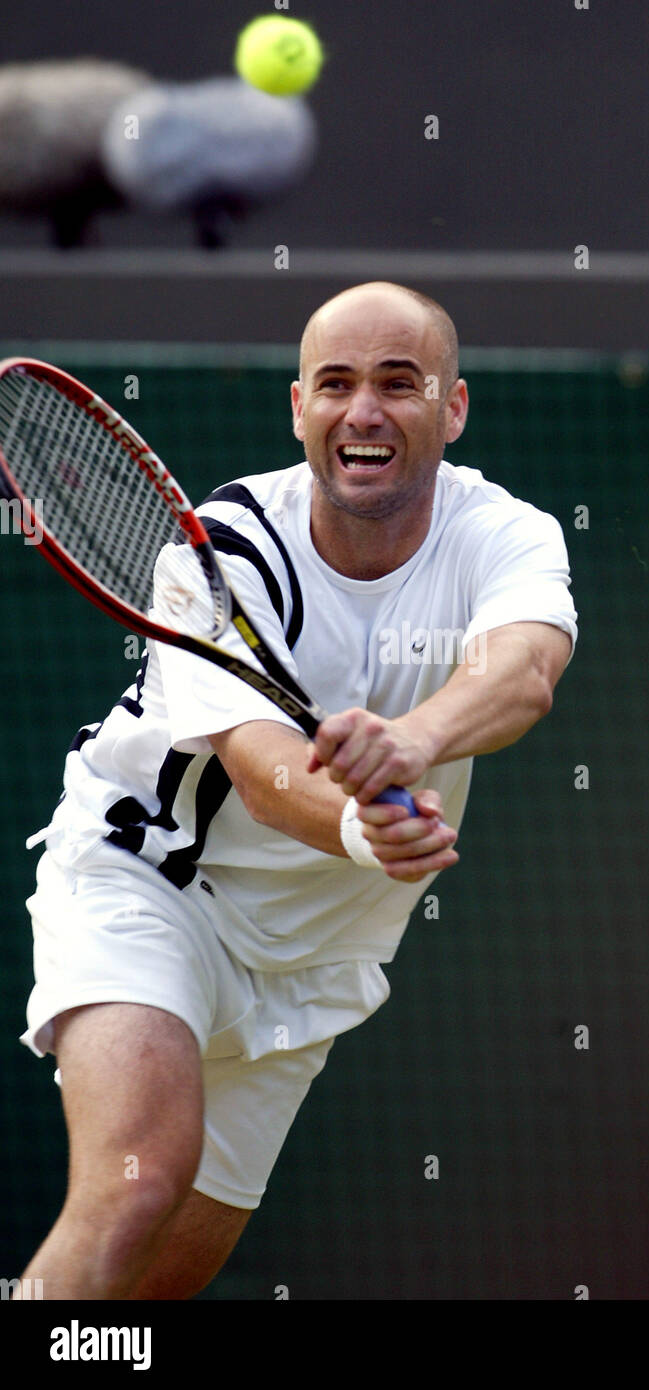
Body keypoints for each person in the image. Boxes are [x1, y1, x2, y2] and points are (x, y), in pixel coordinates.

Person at [15, 281, 577, 1299]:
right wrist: (366, 829)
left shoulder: (508, 534)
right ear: (298, 408)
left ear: (451, 409)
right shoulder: (220, 551)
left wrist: (411, 739)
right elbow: (267, 778)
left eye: (397, 384)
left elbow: (522, 668)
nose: (362, 411)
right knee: (136, 1185)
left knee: (156, 1285)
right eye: (336, 384)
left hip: (315, 962)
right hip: (151, 887)